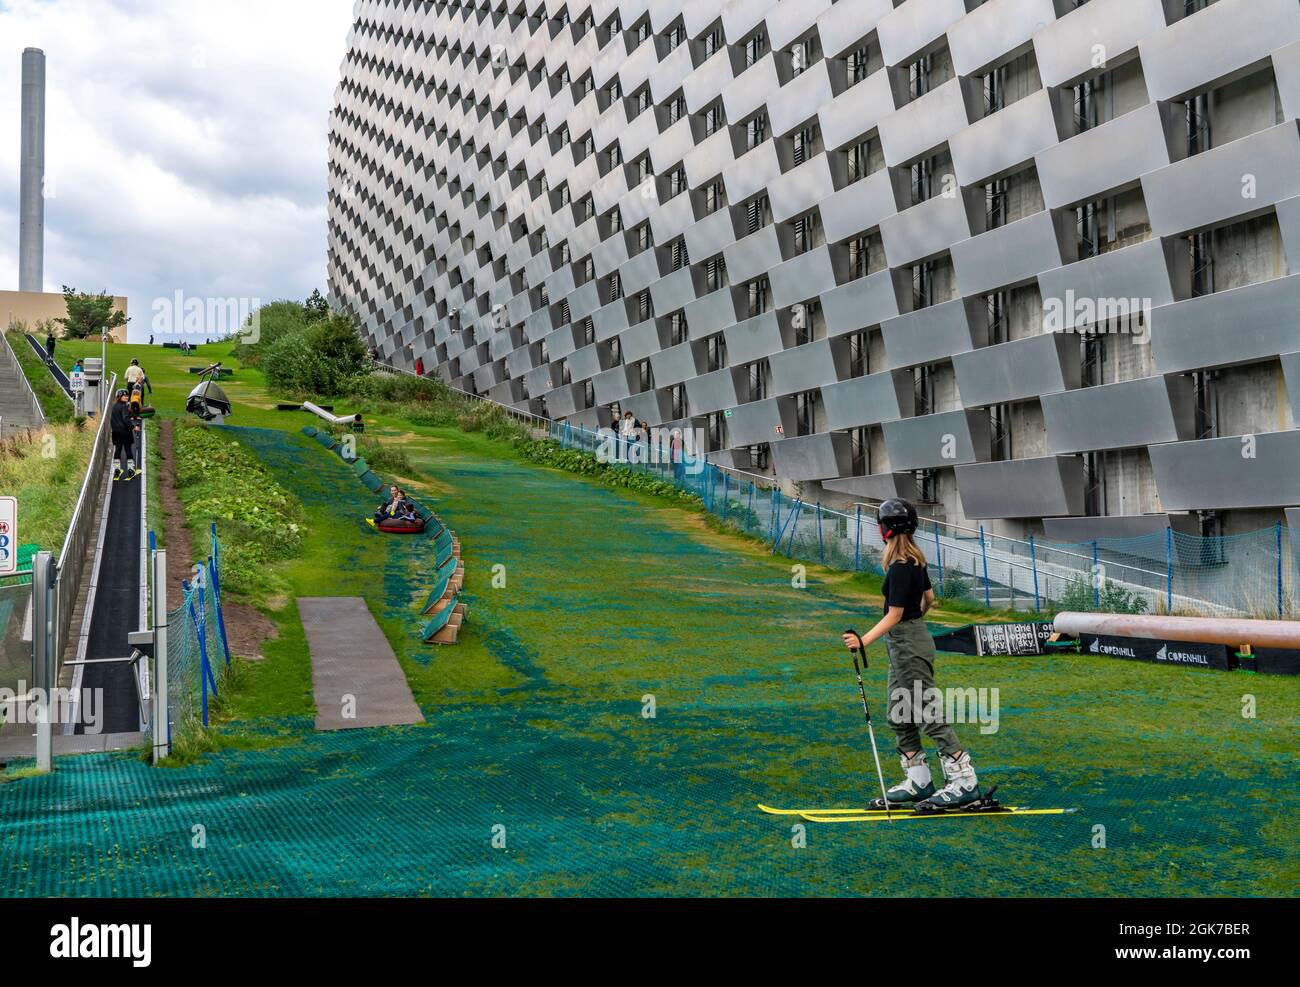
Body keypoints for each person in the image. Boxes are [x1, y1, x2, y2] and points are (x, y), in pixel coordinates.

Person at [840, 498, 980, 812]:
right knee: (898, 713)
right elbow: (929, 599)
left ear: (886, 529)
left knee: (927, 712)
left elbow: (894, 614)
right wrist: (915, 623)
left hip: (907, 644)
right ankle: (918, 780)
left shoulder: (903, 566)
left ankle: (964, 783)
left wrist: (863, 641)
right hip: (909, 640)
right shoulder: (915, 561)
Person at [109, 389, 138, 481]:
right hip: (125, 432)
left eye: (127, 395)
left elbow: (112, 420)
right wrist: (133, 427)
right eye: (124, 396)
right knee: (128, 450)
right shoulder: (124, 406)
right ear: (119, 397)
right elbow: (125, 419)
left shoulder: (114, 406)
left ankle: (117, 470)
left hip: (116, 432)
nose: (126, 397)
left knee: (117, 450)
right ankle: (130, 471)